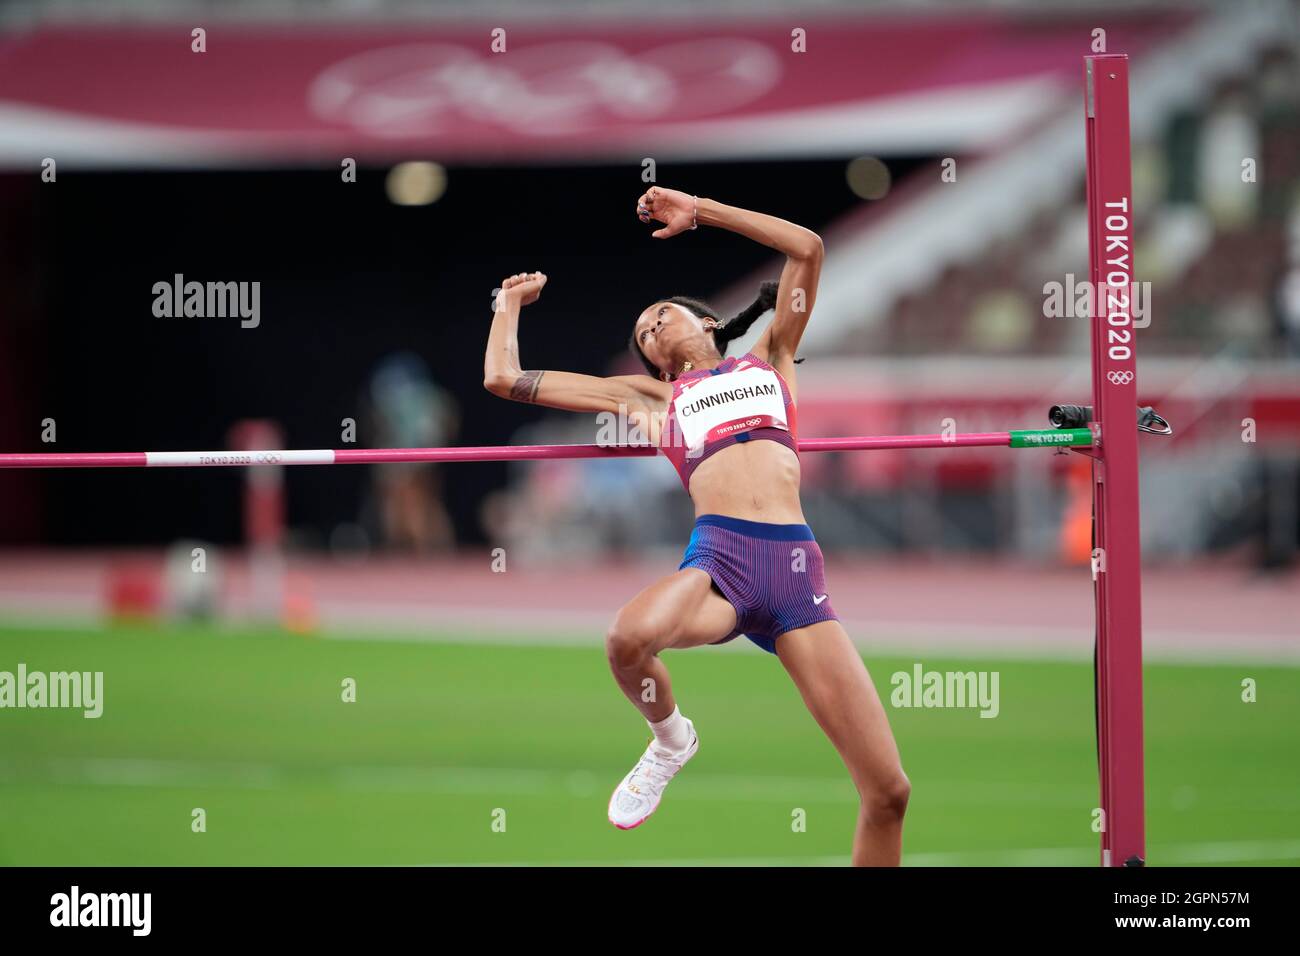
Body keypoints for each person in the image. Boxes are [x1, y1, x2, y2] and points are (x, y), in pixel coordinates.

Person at [482, 187, 909, 866]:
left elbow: (808, 248)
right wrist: (506, 307)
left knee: (888, 792)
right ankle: (671, 738)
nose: (651, 330)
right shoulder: (652, 397)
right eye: (644, 335)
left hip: (797, 576)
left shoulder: (772, 355)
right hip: (721, 563)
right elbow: (504, 379)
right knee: (627, 640)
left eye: (661, 316)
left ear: (708, 323)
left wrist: (700, 210)